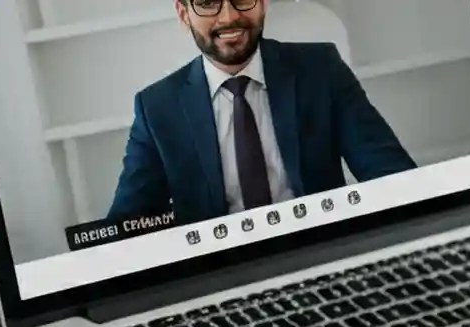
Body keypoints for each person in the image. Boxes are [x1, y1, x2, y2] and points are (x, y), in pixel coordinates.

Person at [107, 0, 417, 224]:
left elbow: (392, 175)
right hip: (218, 274)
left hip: (322, 250)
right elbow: (127, 226)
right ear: (183, 13)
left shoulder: (321, 69)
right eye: (207, 3)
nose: (229, 16)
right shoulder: (156, 108)